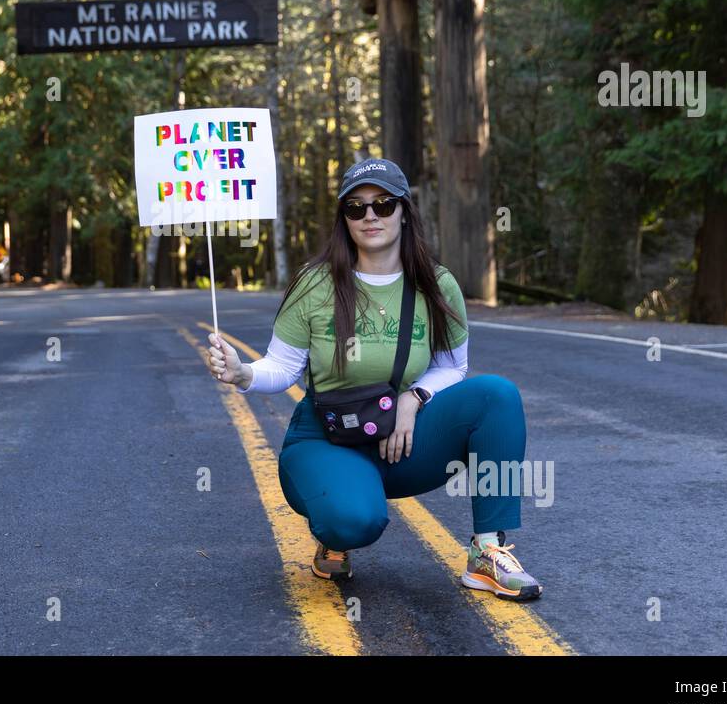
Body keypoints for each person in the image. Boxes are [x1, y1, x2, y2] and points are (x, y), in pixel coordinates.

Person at [208, 158, 543, 601]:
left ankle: (487, 552)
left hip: (399, 437)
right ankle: (336, 522)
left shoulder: (436, 284)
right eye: (356, 207)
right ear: (344, 217)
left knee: (496, 396)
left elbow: (451, 366)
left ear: (404, 211)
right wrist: (243, 372)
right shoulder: (315, 284)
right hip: (327, 436)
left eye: (383, 205)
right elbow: (283, 367)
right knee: (353, 520)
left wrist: (414, 398)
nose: (370, 216)